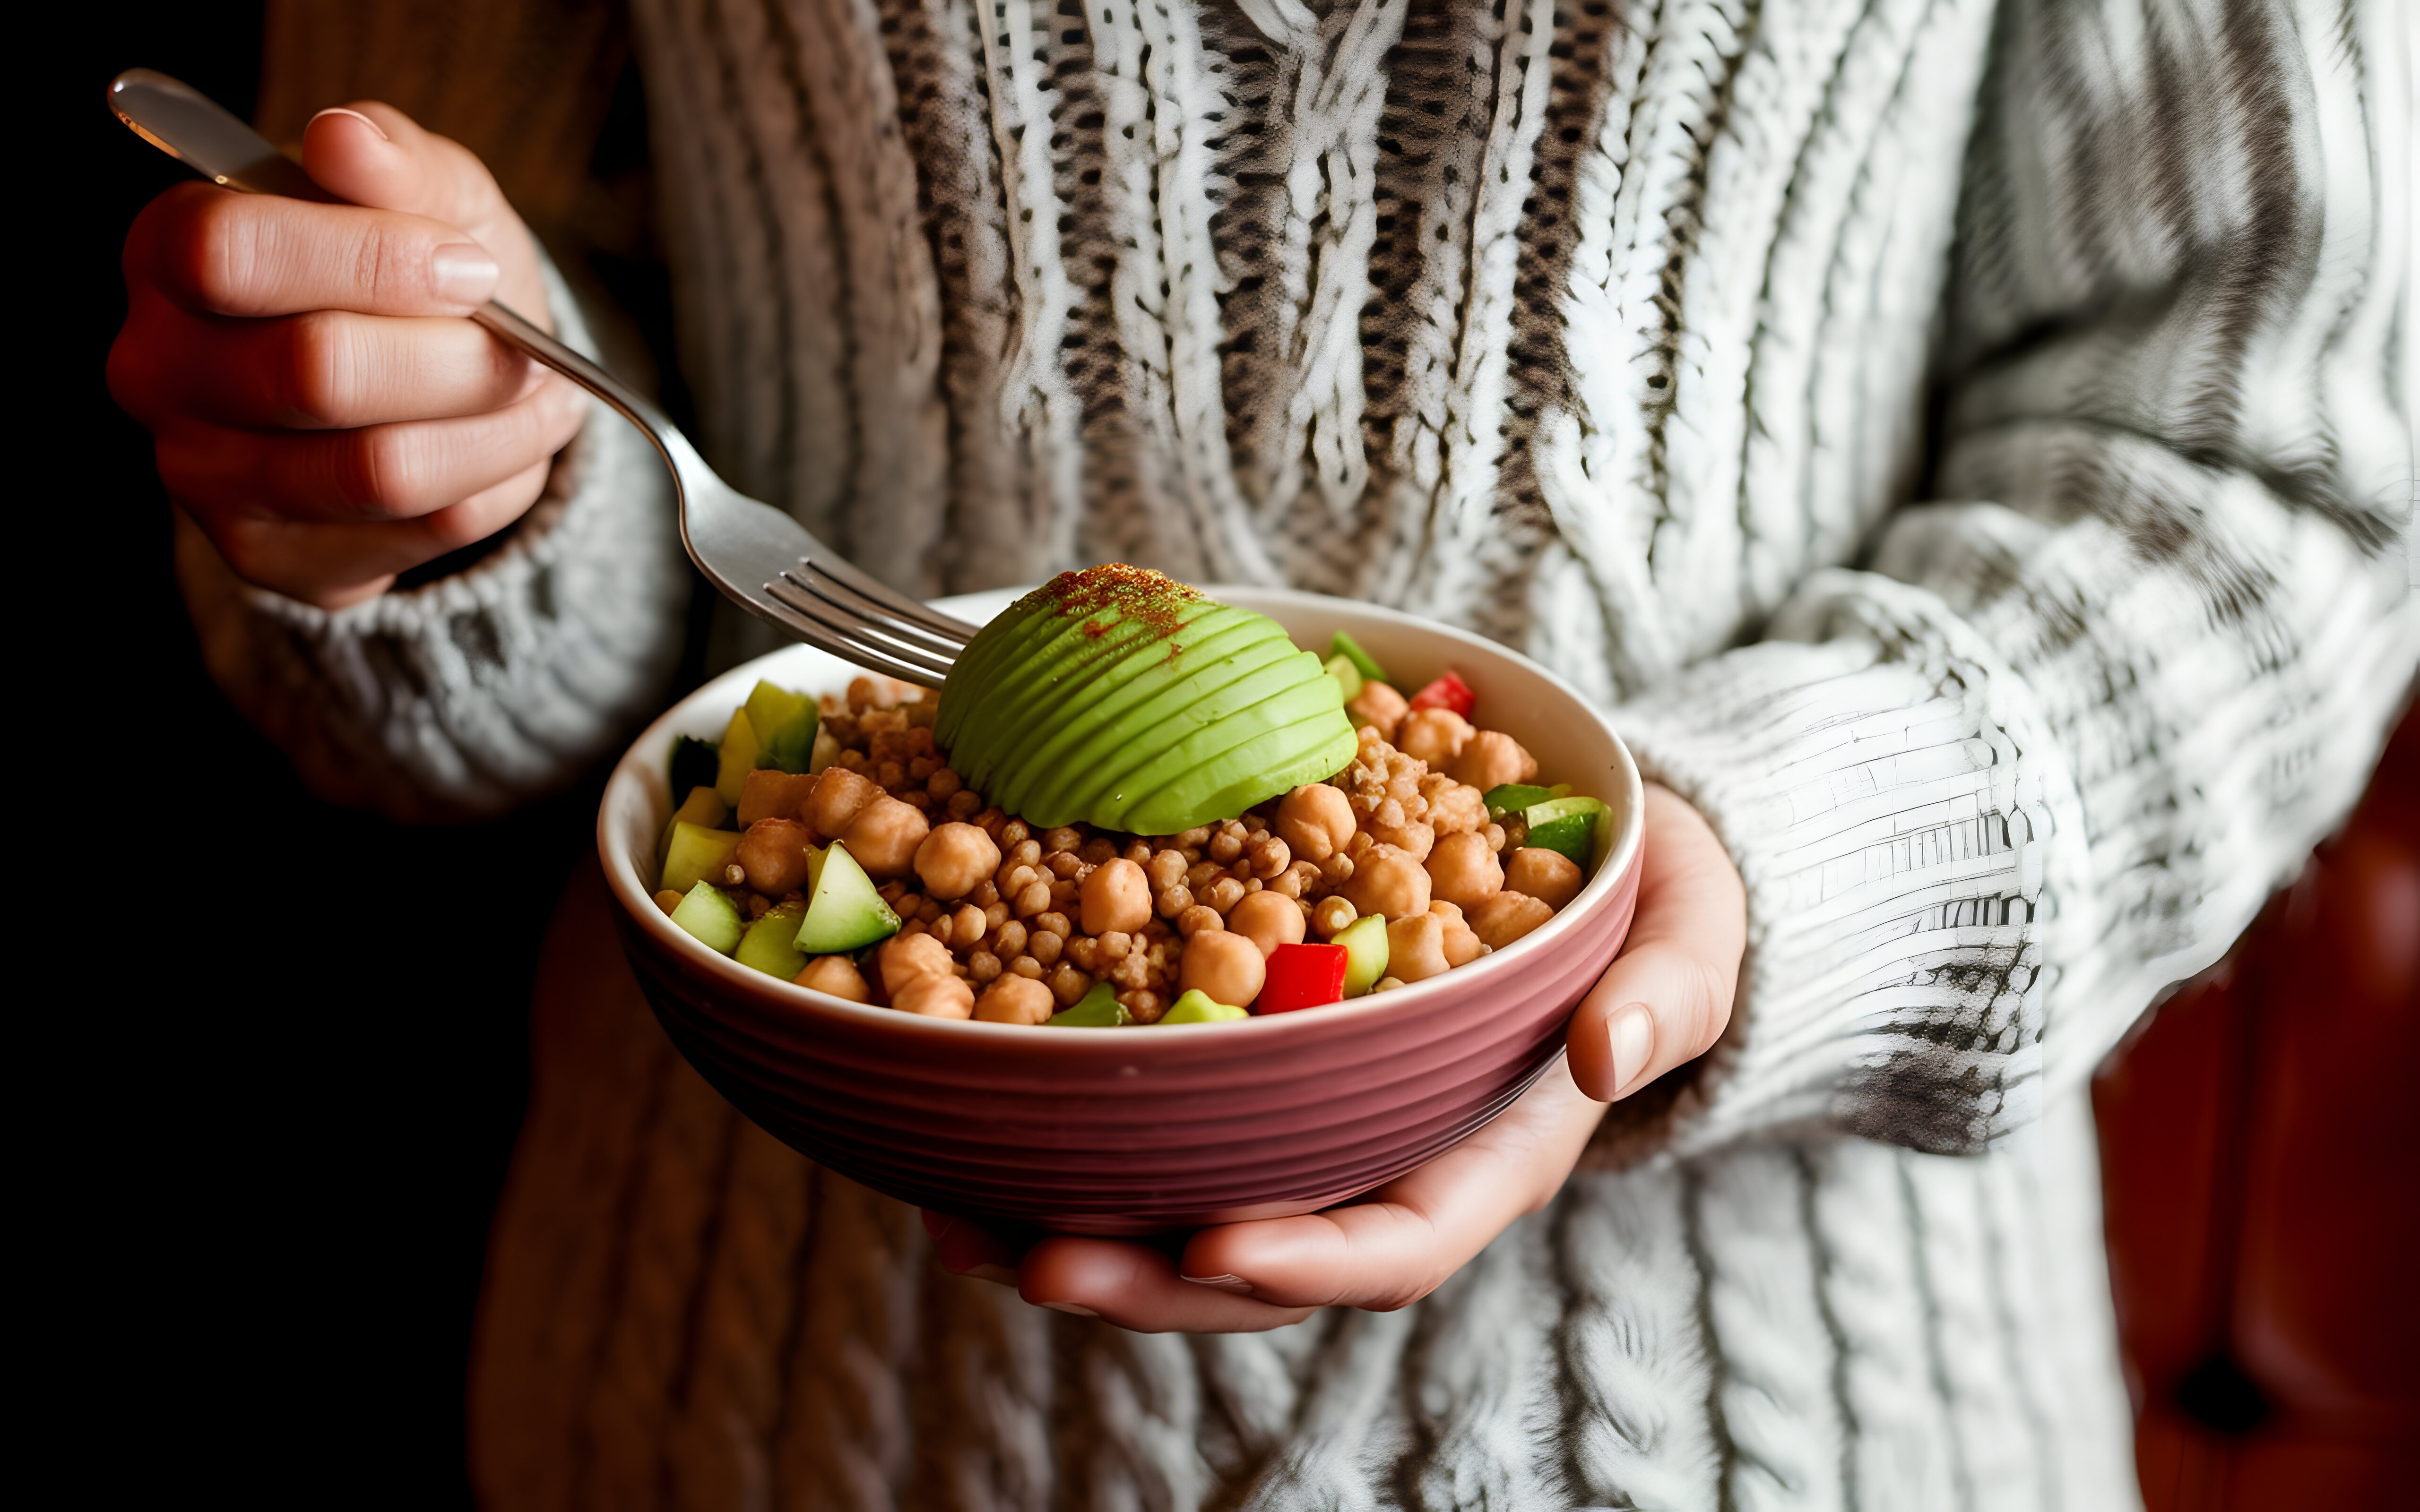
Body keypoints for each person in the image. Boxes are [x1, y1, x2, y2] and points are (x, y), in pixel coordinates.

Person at [109, 0, 2411, 1503]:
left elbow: (2286, 461)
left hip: (1767, 1410)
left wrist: (1754, 859)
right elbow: (504, 364)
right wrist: (434, 495)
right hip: (764, 1395)